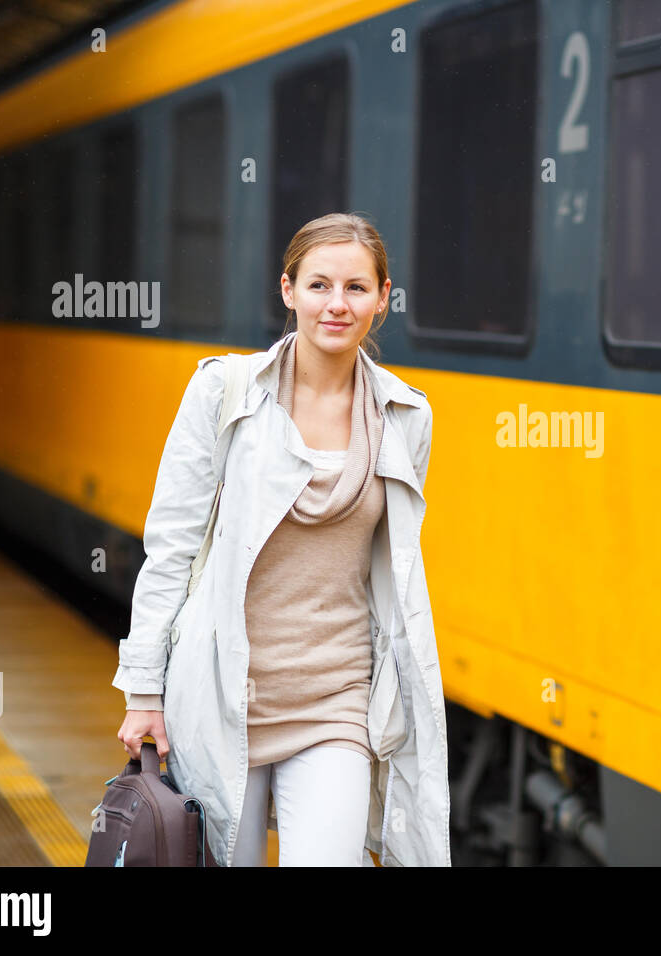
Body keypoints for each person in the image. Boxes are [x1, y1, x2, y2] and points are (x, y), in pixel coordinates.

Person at [113, 212, 448, 866]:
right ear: (288, 290)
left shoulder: (406, 417)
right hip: (220, 699)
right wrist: (143, 692)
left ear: (383, 299)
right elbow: (172, 549)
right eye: (319, 285)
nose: (337, 304)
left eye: (357, 288)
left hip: (336, 701)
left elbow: (391, 571)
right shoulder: (223, 392)